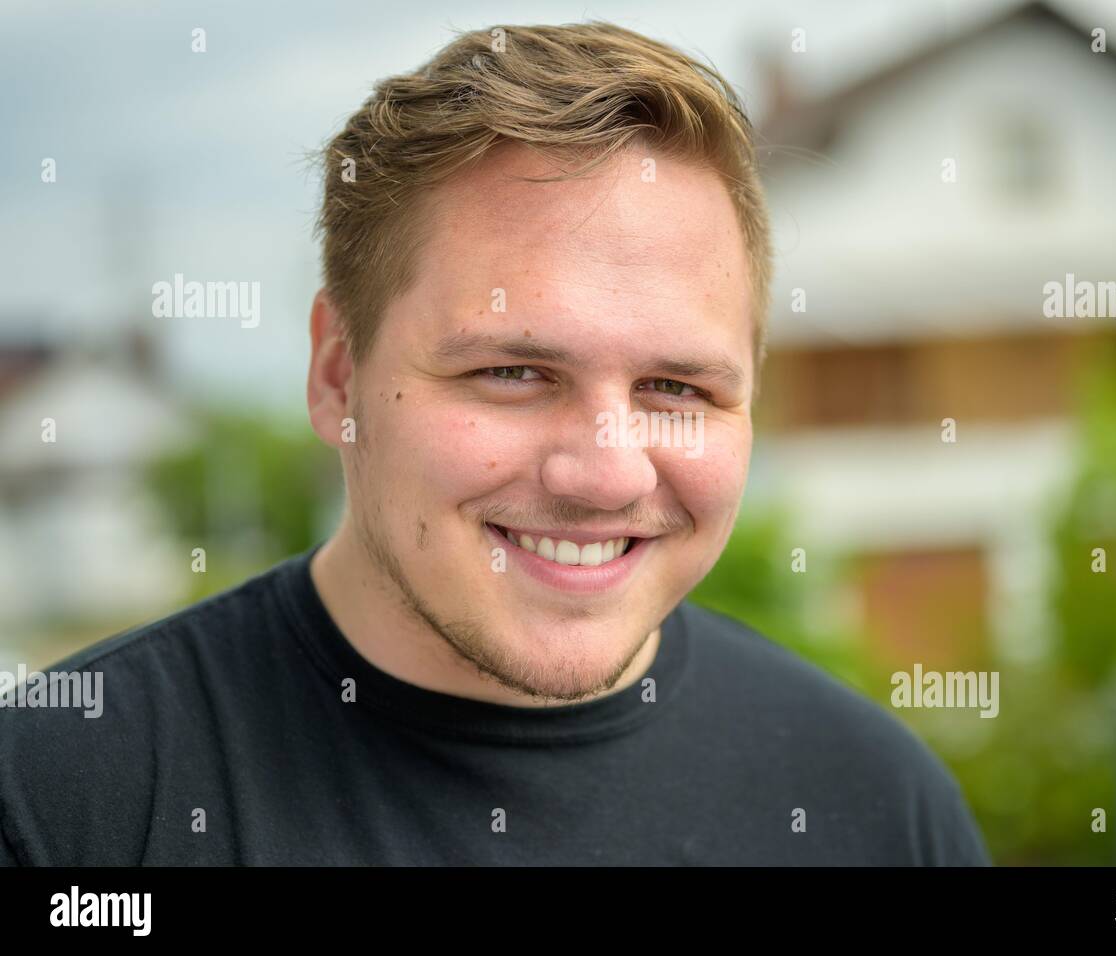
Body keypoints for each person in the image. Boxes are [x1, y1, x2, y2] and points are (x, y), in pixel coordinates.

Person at [0, 21, 989, 866]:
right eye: (512, 372)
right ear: (337, 374)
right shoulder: (64, 802)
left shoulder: (878, 809)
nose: (606, 470)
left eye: (675, 386)